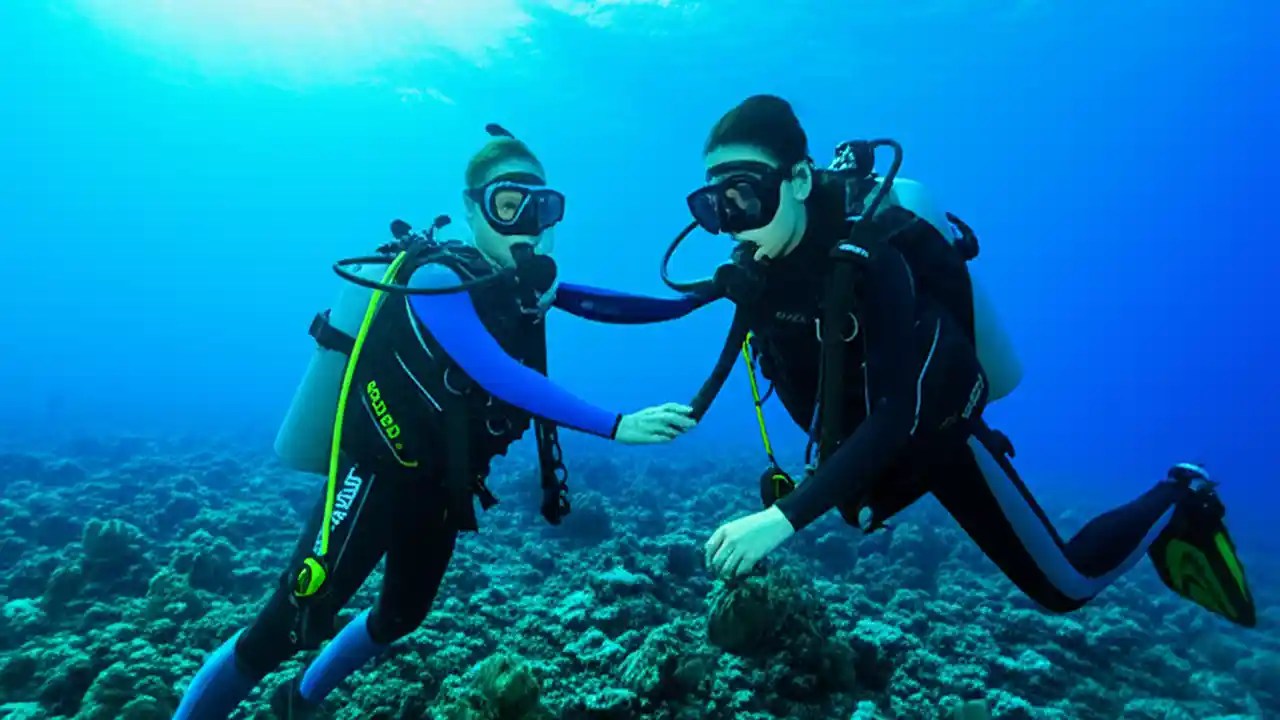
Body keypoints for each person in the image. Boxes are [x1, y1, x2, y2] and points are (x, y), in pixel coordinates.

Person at [172, 125, 716, 720]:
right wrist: (616, 424)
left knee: (401, 617)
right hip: (376, 474)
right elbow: (495, 373)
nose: (528, 225)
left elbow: (605, 304)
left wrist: (706, 296)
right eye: (509, 206)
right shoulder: (435, 279)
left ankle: (298, 700)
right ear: (471, 208)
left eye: (544, 208)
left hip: (440, 488)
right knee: (285, 626)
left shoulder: (520, 286)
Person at [680, 94, 1256, 628]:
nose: (731, 223)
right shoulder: (764, 272)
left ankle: (1183, 496)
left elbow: (895, 415)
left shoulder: (870, 259)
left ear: (800, 179)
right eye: (714, 206)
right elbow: (673, 327)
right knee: (860, 505)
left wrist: (782, 519)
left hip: (936, 435)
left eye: (745, 197)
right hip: (864, 457)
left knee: (1066, 588)